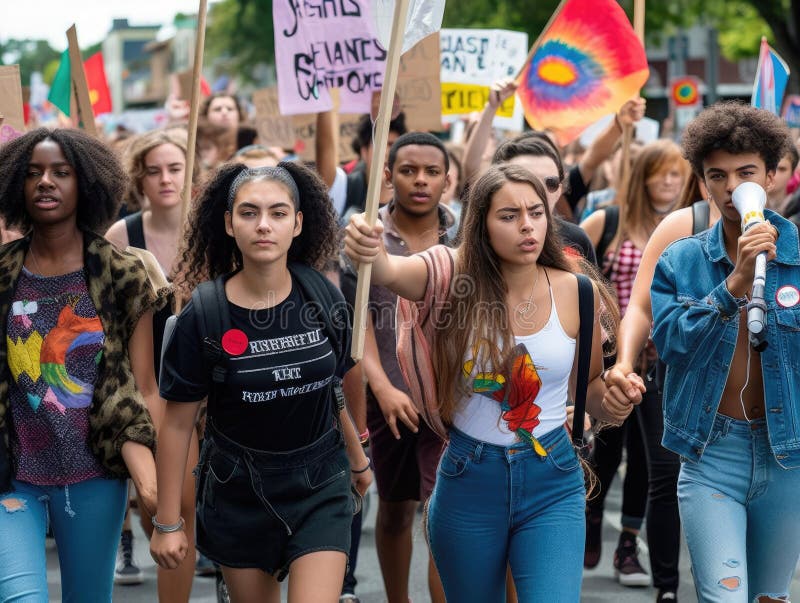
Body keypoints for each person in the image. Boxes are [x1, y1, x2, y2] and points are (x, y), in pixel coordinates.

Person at [344, 163, 634, 601]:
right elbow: (387, 271)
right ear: (481, 222)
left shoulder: (579, 291)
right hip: (468, 478)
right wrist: (368, 247)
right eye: (509, 215)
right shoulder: (449, 276)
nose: (527, 226)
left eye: (536, 213)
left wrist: (614, 401)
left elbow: (590, 390)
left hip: (552, 478)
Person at [151, 162, 372, 603]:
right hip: (238, 488)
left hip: (321, 483)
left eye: (278, 212)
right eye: (249, 213)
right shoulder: (205, 313)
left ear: (298, 222)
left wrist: (358, 460)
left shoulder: (323, 295)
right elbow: (176, 426)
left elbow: (332, 390)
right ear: (229, 223)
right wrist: (168, 522)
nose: (264, 225)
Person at [642, 102, 800, 602]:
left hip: (788, 456)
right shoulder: (682, 260)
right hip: (713, 454)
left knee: (769, 598)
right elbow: (671, 344)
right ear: (703, 182)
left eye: (746, 172)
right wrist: (733, 283)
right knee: (725, 596)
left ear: (773, 175)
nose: (732, 187)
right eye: (718, 175)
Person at [0, 127, 164, 601]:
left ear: (85, 183)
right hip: (14, 478)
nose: (45, 182)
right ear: (16, 185)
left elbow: (144, 389)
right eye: (32, 174)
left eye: (60, 172)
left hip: (94, 477)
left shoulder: (122, 274)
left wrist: (153, 489)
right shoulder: (3, 273)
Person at [579, 139, 689, 586]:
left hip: (662, 361)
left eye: (676, 173)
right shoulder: (609, 220)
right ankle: (589, 521)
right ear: (641, 176)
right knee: (605, 450)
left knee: (651, 462)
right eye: (659, 172)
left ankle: (629, 543)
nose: (668, 181)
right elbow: (568, 266)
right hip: (606, 358)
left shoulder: (691, 226)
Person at [355, 132, 454, 603]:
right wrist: (381, 386)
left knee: (443, 515)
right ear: (388, 175)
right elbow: (357, 321)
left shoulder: (468, 233)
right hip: (387, 399)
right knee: (395, 511)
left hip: (453, 400)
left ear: (447, 180)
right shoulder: (361, 235)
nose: (420, 180)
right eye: (409, 170)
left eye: (432, 172)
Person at [105, 128, 203, 597]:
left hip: (214, 383)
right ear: (139, 179)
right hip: (152, 387)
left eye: (175, 168)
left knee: (182, 503)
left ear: (190, 175)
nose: (165, 178)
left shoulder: (212, 228)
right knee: (157, 510)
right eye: (153, 170)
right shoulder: (122, 236)